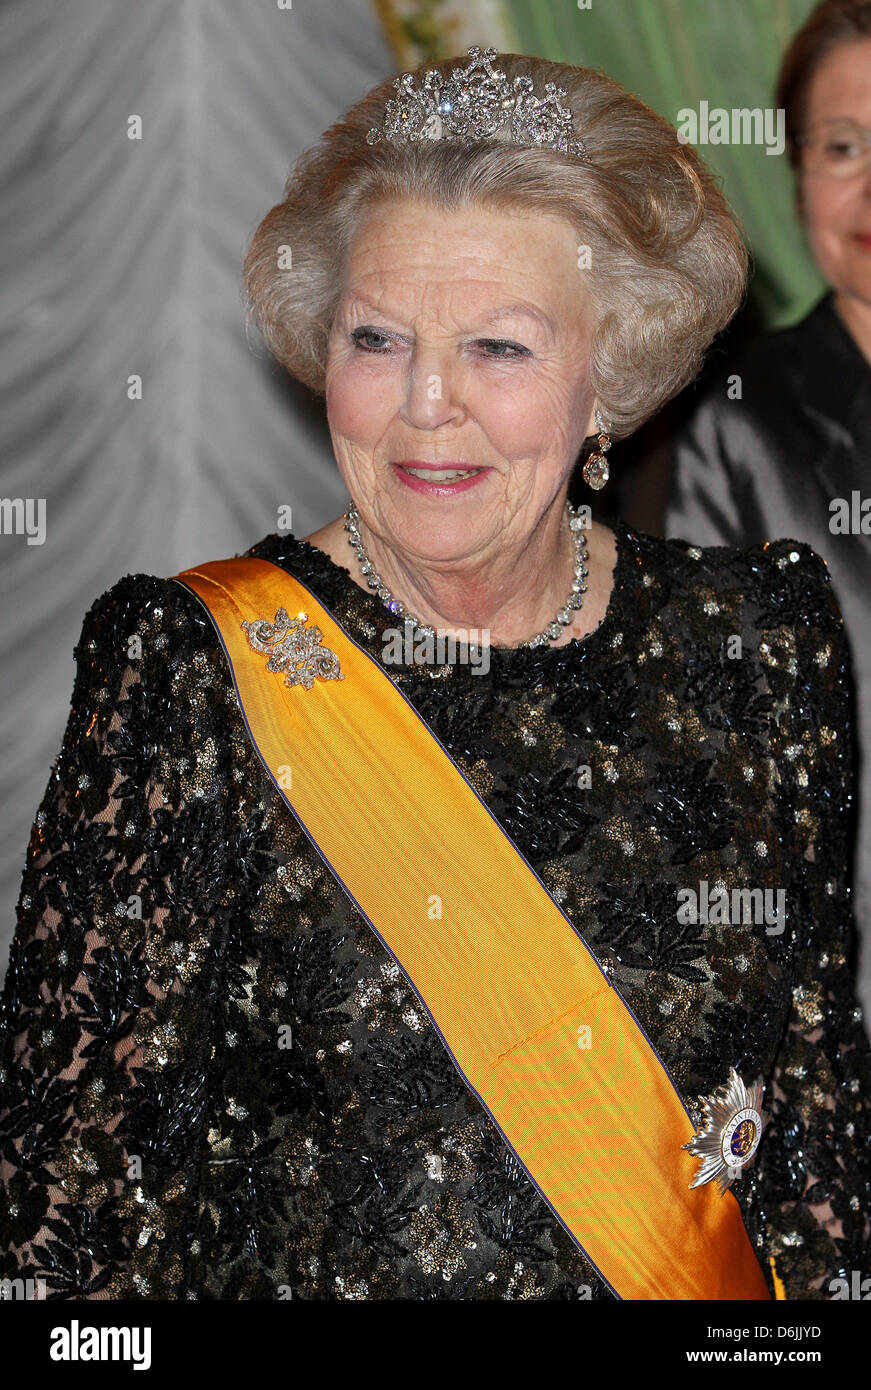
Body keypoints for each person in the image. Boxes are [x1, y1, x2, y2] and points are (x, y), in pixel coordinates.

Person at [1, 46, 868, 1302]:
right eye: (377, 337)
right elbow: (64, 1243)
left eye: (499, 349)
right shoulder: (194, 670)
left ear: (608, 378)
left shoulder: (761, 644)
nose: (424, 404)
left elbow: (814, 1138)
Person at [664, 0, 871, 1023]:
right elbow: (702, 765)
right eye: (843, 147)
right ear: (796, 174)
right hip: (836, 998)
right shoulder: (740, 422)